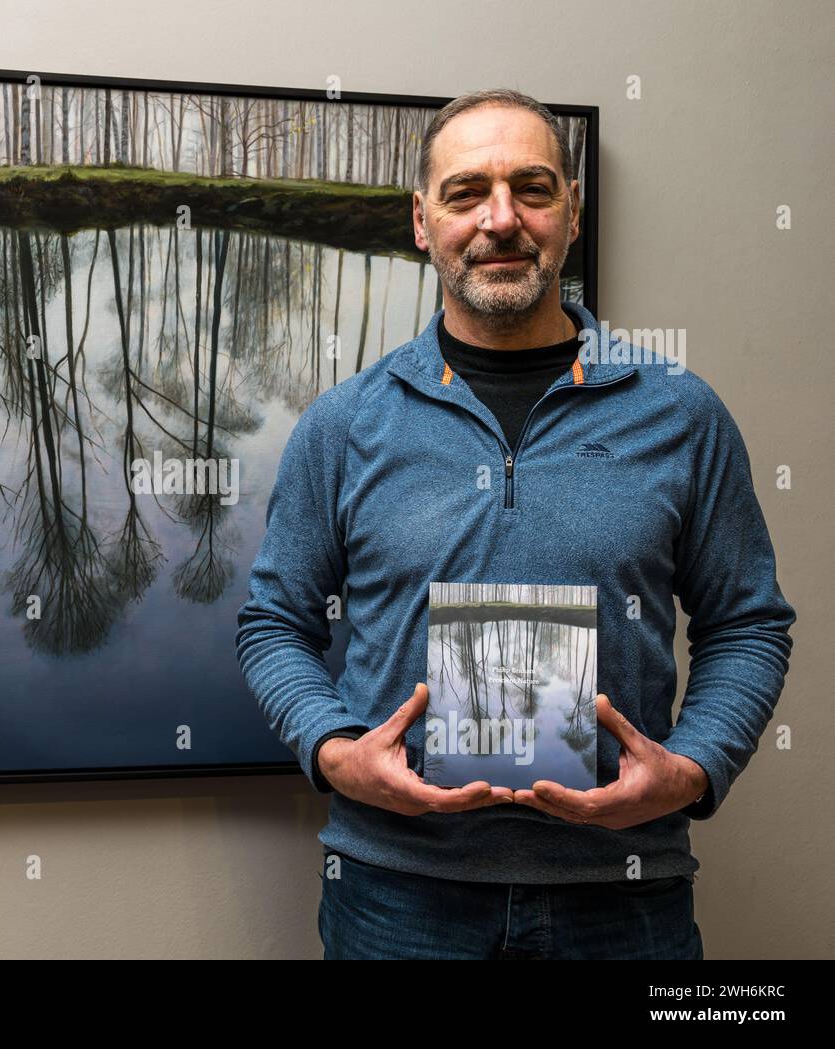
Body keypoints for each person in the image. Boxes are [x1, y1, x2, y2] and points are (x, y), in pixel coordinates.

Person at [234, 88, 796, 959]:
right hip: (394, 894)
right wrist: (334, 750)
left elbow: (749, 623)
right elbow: (273, 622)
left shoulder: (683, 412)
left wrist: (691, 769)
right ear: (423, 222)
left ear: (571, 213)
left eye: (533, 189)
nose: (502, 219)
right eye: (466, 194)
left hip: (625, 895)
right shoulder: (343, 424)